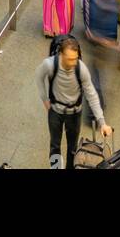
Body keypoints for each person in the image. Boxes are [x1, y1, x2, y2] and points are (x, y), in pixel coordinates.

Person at [35, 35, 111, 169]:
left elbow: (92, 95)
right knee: (55, 146)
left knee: (72, 148)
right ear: (61, 55)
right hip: (55, 111)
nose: (73, 62)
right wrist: (45, 100)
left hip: (75, 113)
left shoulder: (81, 68)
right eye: (69, 59)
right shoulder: (50, 64)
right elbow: (39, 77)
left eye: (75, 59)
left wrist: (102, 122)